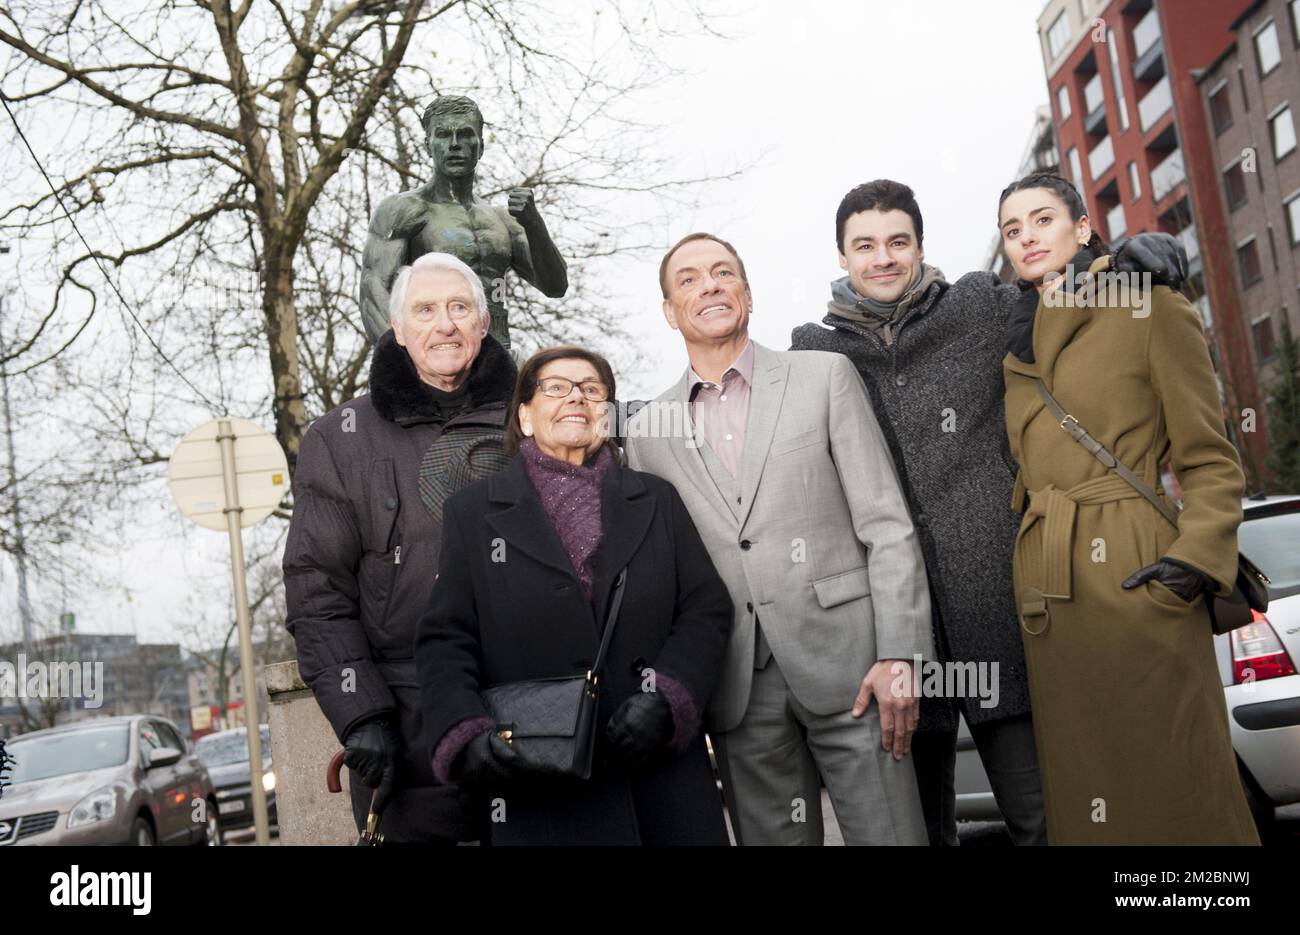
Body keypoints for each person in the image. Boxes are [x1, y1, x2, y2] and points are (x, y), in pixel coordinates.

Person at [791, 180, 1188, 846]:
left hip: (1003, 615)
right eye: (865, 245)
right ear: (842, 255)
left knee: (1045, 822)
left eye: (898, 241)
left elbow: (1062, 295)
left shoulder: (977, 305)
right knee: (918, 834)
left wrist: (1125, 262)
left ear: (920, 246)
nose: (883, 257)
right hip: (897, 639)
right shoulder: (815, 354)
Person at [626, 233, 932, 845]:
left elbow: (887, 524)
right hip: (736, 690)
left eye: (723, 272)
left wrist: (901, 653)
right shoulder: (645, 432)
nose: (709, 285)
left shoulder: (823, 377)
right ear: (668, 310)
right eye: (688, 279)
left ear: (747, 292)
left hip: (857, 672)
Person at [996, 171, 1258, 844]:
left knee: (1179, 782)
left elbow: (1209, 457)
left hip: (1139, 571)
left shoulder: (1148, 304)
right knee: (1090, 793)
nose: (1027, 237)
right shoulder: (1008, 343)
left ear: (1083, 228)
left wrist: (1191, 563)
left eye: (1043, 219)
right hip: (1051, 593)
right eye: (1012, 229)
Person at [416, 345, 733, 846]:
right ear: (524, 415)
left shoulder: (656, 498)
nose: (576, 398)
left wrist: (668, 698)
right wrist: (465, 730)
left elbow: (706, 609)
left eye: (591, 389)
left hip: (659, 779)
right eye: (556, 387)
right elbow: (445, 639)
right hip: (541, 782)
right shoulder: (472, 514)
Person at [283, 252, 517, 844]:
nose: (445, 325)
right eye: (426, 311)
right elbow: (316, 590)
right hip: (406, 721)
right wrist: (358, 713)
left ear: (483, 324)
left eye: (460, 308)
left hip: (529, 705)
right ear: (399, 331)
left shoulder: (532, 421)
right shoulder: (339, 440)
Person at [358, 95, 568, 347]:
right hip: (437, 349)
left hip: (496, 352)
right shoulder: (404, 210)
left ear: (480, 146)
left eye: (466, 134)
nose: (455, 144)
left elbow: (555, 286)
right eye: (444, 135)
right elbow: (374, 292)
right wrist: (404, 365)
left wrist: (534, 225)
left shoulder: (504, 221)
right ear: (428, 145)